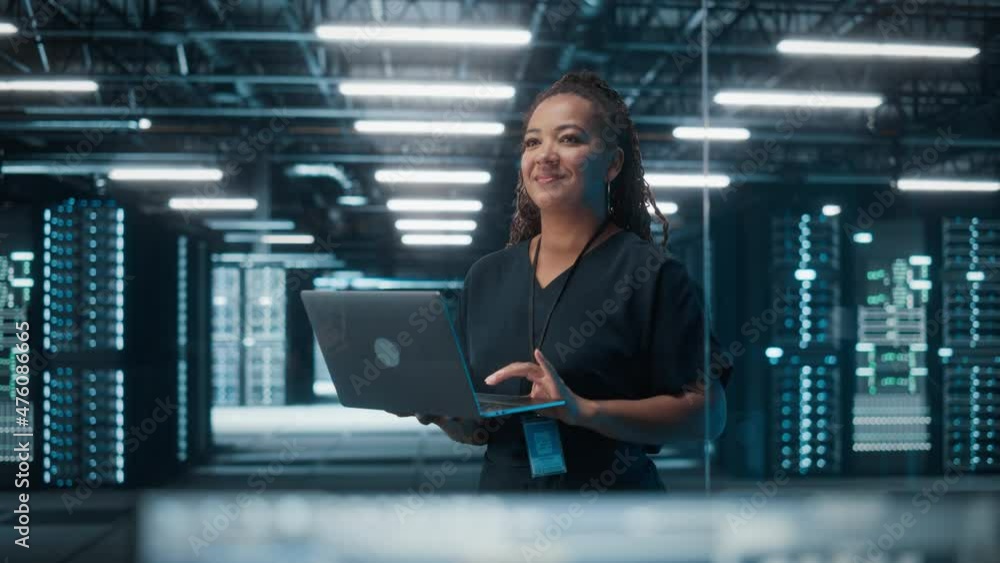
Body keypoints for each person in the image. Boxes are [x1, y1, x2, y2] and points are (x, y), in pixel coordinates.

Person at [400, 70, 733, 492]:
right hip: (504, 516)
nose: (545, 155)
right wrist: (446, 415)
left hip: (614, 517)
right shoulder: (488, 276)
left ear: (612, 164)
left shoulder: (651, 275)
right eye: (533, 142)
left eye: (569, 138)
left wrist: (582, 410)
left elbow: (709, 415)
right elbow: (480, 431)